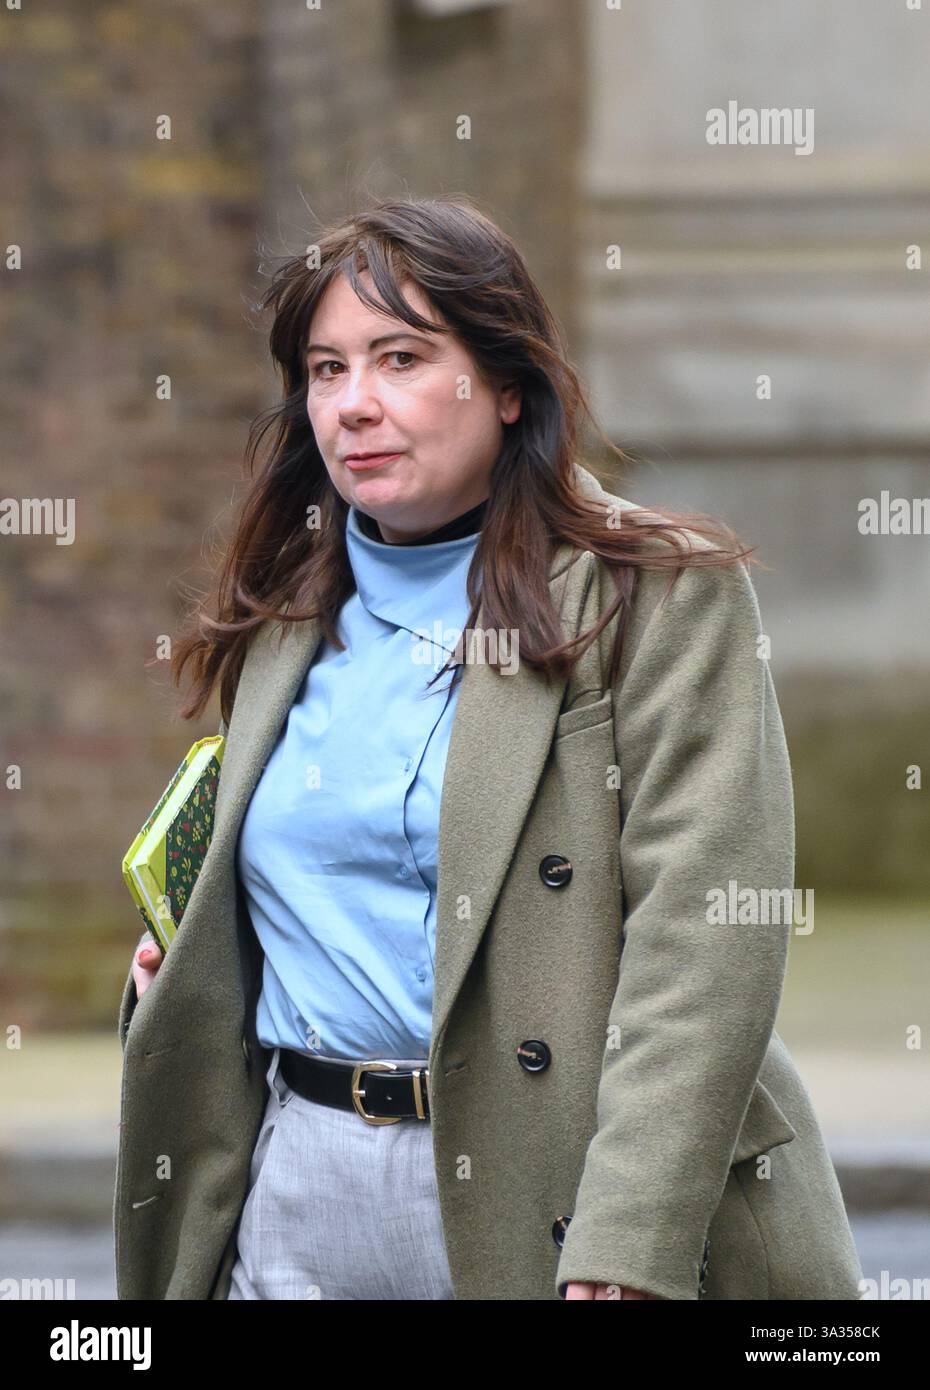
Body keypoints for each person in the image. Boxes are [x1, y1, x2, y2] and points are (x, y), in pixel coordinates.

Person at [118, 194, 863, 1301]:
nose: (354, 406)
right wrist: (191, 968)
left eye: (401, 359)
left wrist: (629, 1243)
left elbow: (704, 943)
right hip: (296, 1183)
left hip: (552, 1184)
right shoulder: (283, 606)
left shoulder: (660, 593)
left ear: (507, 385)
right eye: (326, 371)